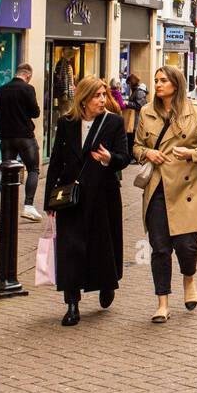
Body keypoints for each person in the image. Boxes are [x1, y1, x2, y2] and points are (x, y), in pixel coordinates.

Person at [132, 66, 197, 324]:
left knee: (186, 246)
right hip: (158, 186)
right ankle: (162, 303)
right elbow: (137, 145)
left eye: (163, 80)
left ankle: (189, 277)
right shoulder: (146, 112)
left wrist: (193, 154)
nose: (158, 84)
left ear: (176, 83)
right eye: (156, 80)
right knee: (159, 248)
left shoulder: (196, 110)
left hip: (187, 187)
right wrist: (147, 153)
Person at [42, 76, 130, 327]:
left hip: (103, 195)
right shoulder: (67, 123)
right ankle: (72, 304)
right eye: (97, 95)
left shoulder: (112, 122)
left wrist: (108, 157)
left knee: (103, 244)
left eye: (104, 95)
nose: (102, 100)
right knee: (70, 249)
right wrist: (50, 201)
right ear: (84, 98)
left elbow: (124, 158)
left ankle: (106, 284)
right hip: (72, 197)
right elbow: (57, 161)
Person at [0, 64, 43, 222]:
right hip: (24, 136)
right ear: (28, 76)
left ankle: (6, 206)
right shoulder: (28, 89)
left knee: (7, 172)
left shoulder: (1, 90)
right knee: (33, 169)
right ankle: (28, 206)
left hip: (6, 137)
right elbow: (35, 113)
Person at [124, 73, 148, 156]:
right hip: (134, 119)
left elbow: (140, 106)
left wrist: (128, 103)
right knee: (131, 137)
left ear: (132, 82)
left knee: (133, 138)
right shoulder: (136, 90)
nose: (128, 86)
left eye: (129, 83)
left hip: (136, 119)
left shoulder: (139, 92)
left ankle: (133, 156)